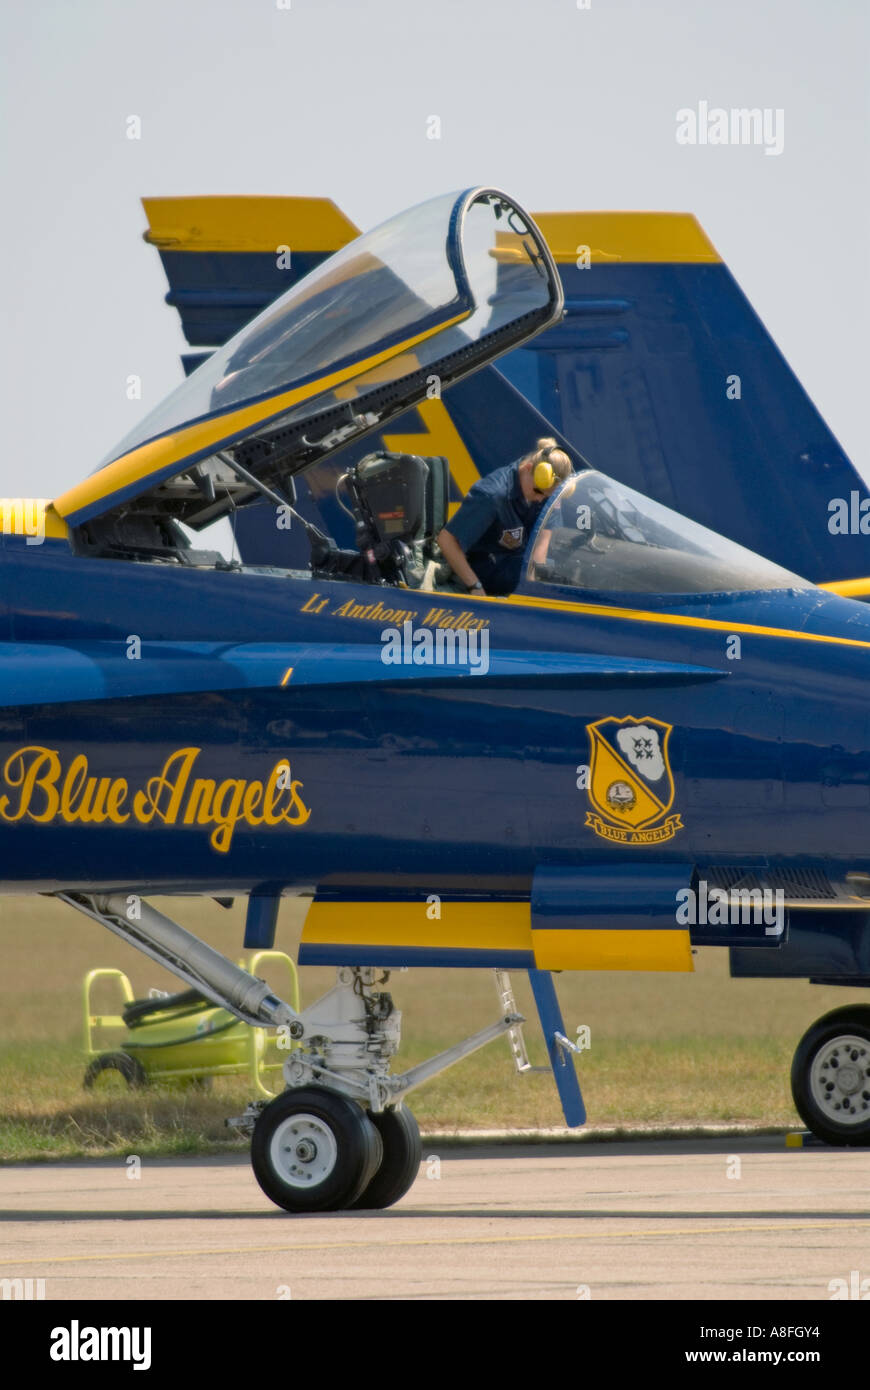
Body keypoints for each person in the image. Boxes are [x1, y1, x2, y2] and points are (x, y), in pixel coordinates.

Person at [436, 438, 573, 596]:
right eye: (539, 492)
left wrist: (535, 584)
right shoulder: (492, 496)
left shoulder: (545, 489)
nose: (541, 500)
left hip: (519, 566)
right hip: (483, 568)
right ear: (528, 468)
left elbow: (543, 539)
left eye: (548, 497)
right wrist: (475, 586)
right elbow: (446, 540)